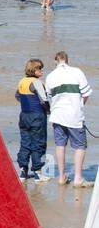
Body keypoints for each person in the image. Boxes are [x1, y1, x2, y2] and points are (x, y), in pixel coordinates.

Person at [46, 51, 91, 186]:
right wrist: (80, 105)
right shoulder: (77, 72)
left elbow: (49, 97)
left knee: (60, 145)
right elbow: (86, 93)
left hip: (57, 115)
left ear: (56, 61)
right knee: (80, 146)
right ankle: (78, 178)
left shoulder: (50, 76)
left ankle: (61, 176)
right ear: (67, 60)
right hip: (74, 115)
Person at [15, 59, 50, 180]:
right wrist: (49, 111)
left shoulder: (22, 81)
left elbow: (17, 96)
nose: (42, 71)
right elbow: (44, 100)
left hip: (24, 116)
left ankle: (23, 171)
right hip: (37, 117)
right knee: (38, 143)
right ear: (34, 70)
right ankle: (37, 173)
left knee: (25, 143)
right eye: (40, 69)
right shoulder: (37, 82)